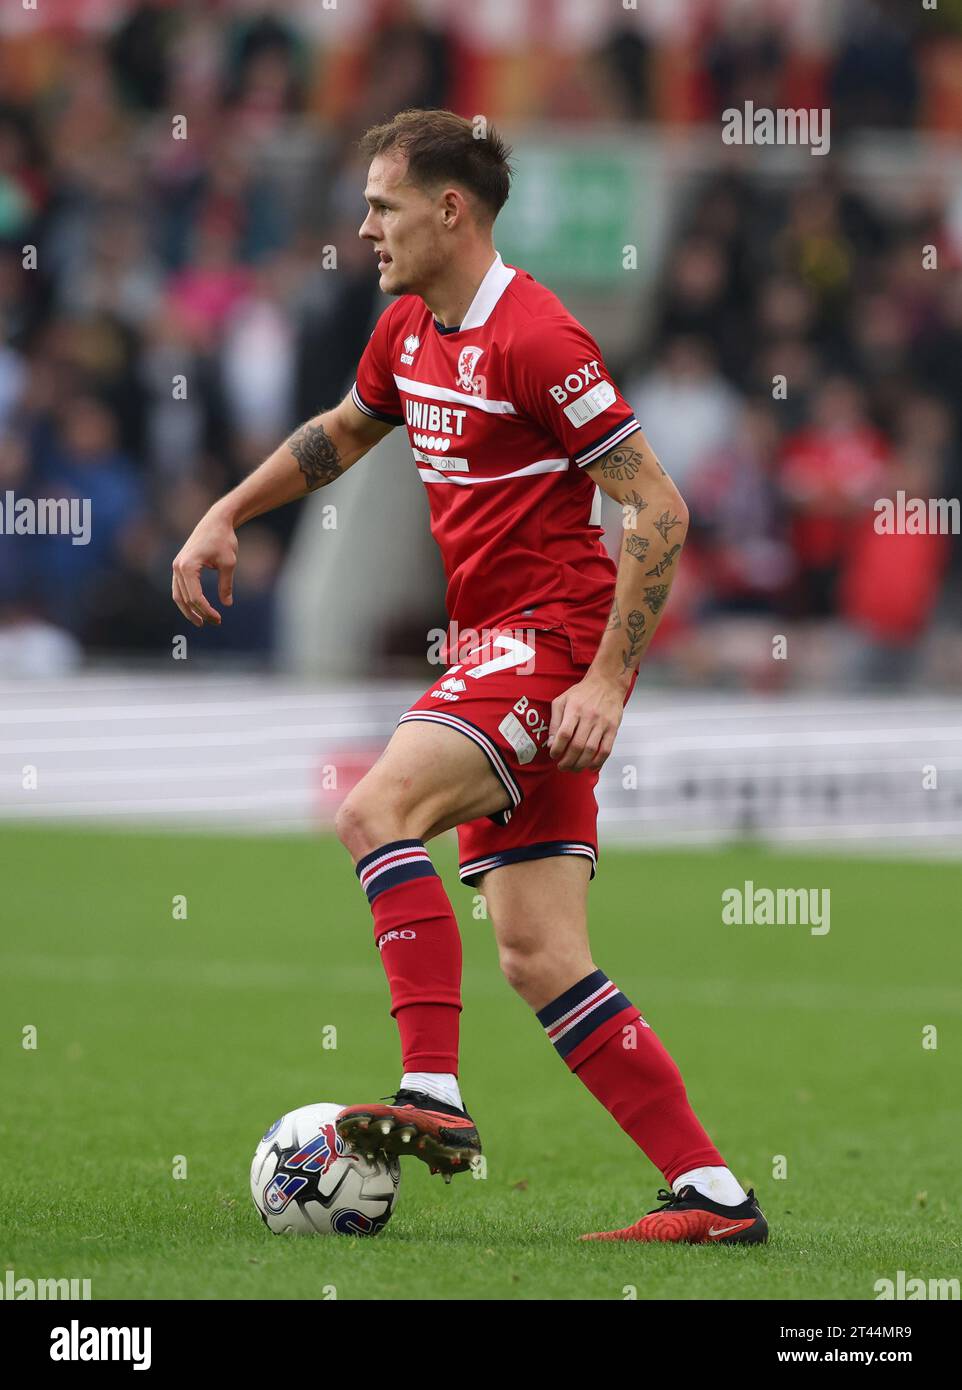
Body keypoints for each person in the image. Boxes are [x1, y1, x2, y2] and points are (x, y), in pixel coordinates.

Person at [172, 108, 767, 1245]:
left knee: (372, 807)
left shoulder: (540, 338)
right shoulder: (404, 330)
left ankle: (430, 1093)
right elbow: (343, 434)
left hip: (546, 641)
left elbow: (659, 506)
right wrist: (226, 511)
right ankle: (710, 1192)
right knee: (539, 954)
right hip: (501, 642)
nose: (365, 227)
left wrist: (600, 683)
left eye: (384, 206)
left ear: (451, 210)